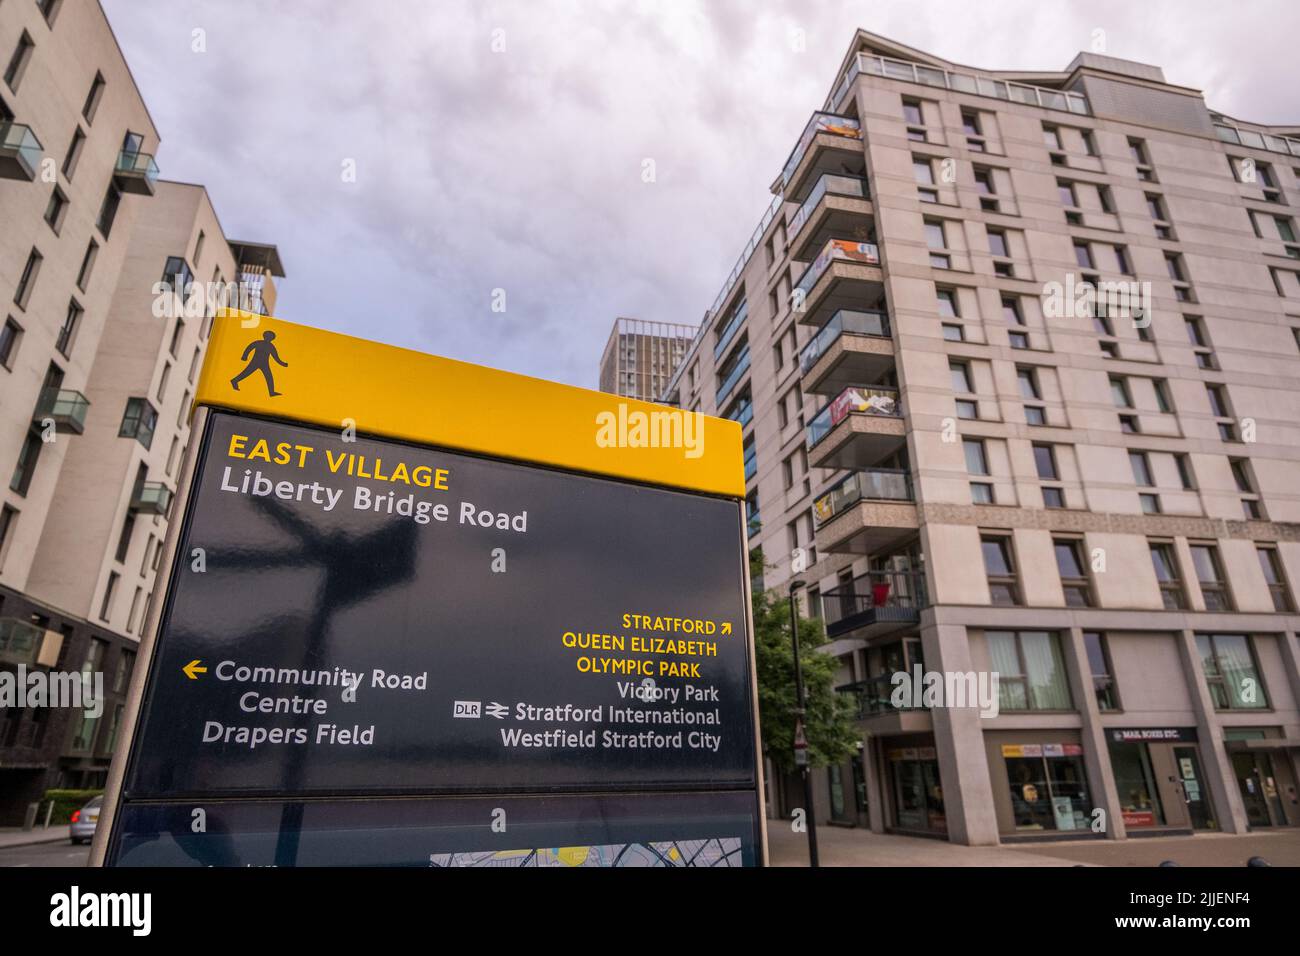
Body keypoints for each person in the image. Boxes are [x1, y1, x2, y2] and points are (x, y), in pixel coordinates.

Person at [230, 330, 288, 396]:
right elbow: (249, 347)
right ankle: (234, 381)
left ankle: (271, 392)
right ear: (265, 336)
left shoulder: (270, 346)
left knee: (269, 377)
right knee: (246, 373)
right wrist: (244, 356)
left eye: (270, 337)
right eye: (268, 337)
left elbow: (276, 357)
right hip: (255, 362)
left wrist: (283, 364)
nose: (269, 338)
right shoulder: (259, 343)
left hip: (264, 364)